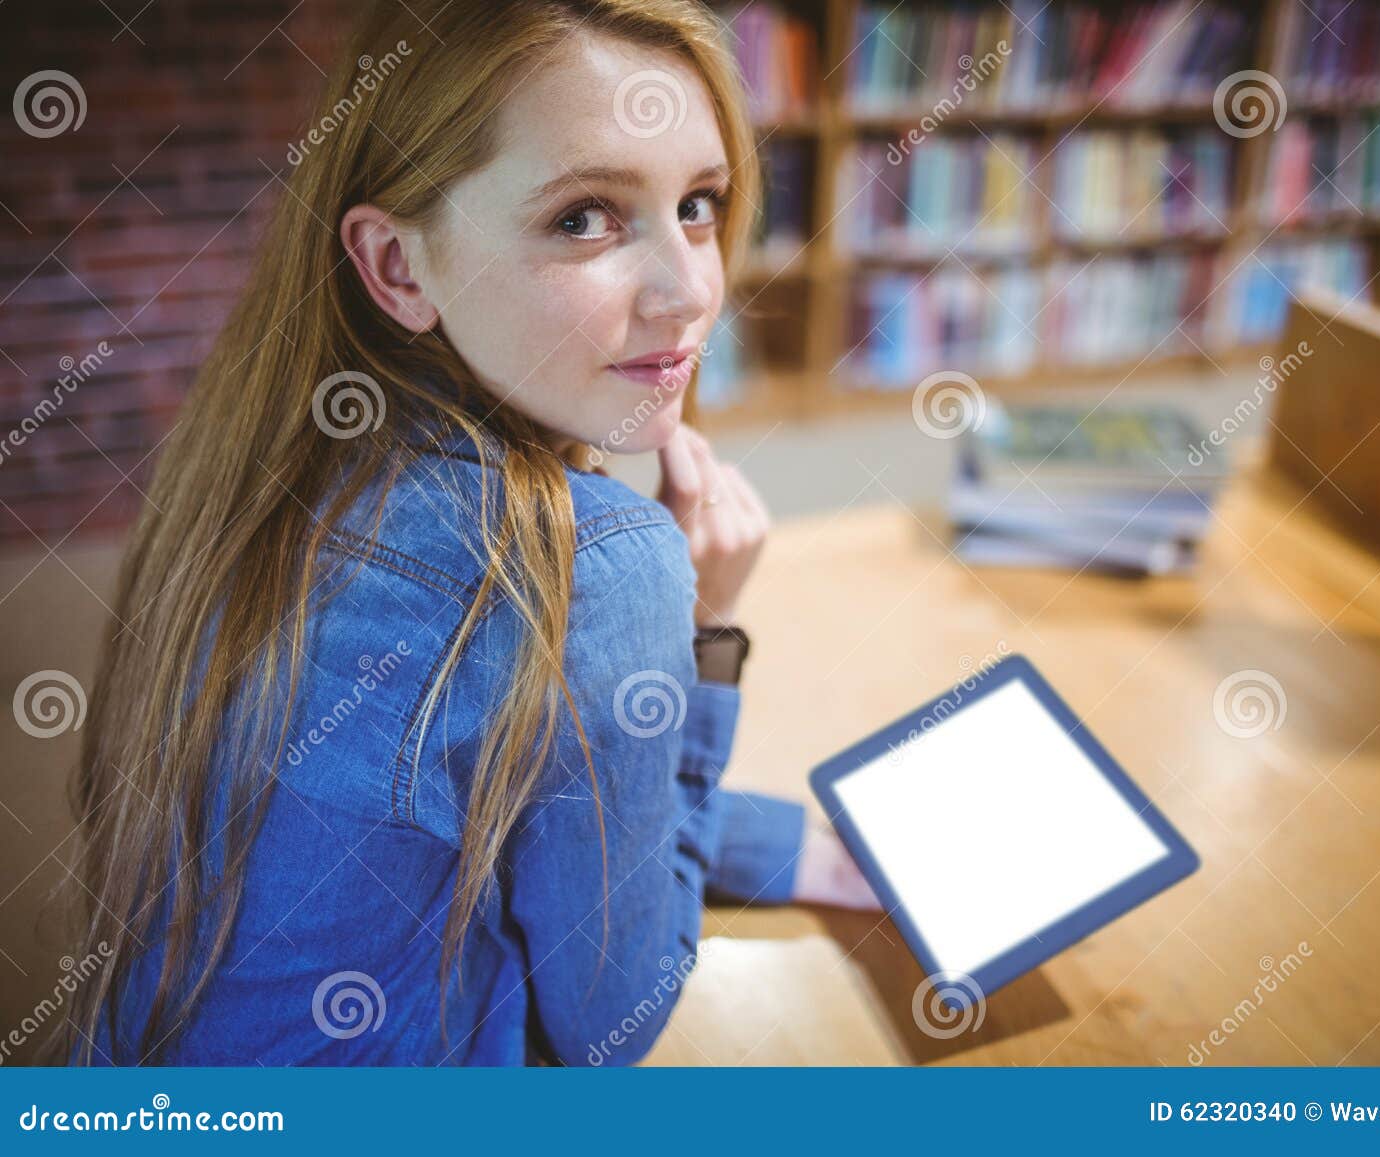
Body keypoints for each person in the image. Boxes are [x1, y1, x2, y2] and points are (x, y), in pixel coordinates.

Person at [60, 0, 874, 1068]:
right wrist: (704, 635)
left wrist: (784, 845)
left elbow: (509, 792)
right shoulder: (603, 563)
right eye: (585, 216)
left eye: (699, 204)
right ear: (398, 266)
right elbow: (608, 1022)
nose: (689, 292)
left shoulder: (263, 463)